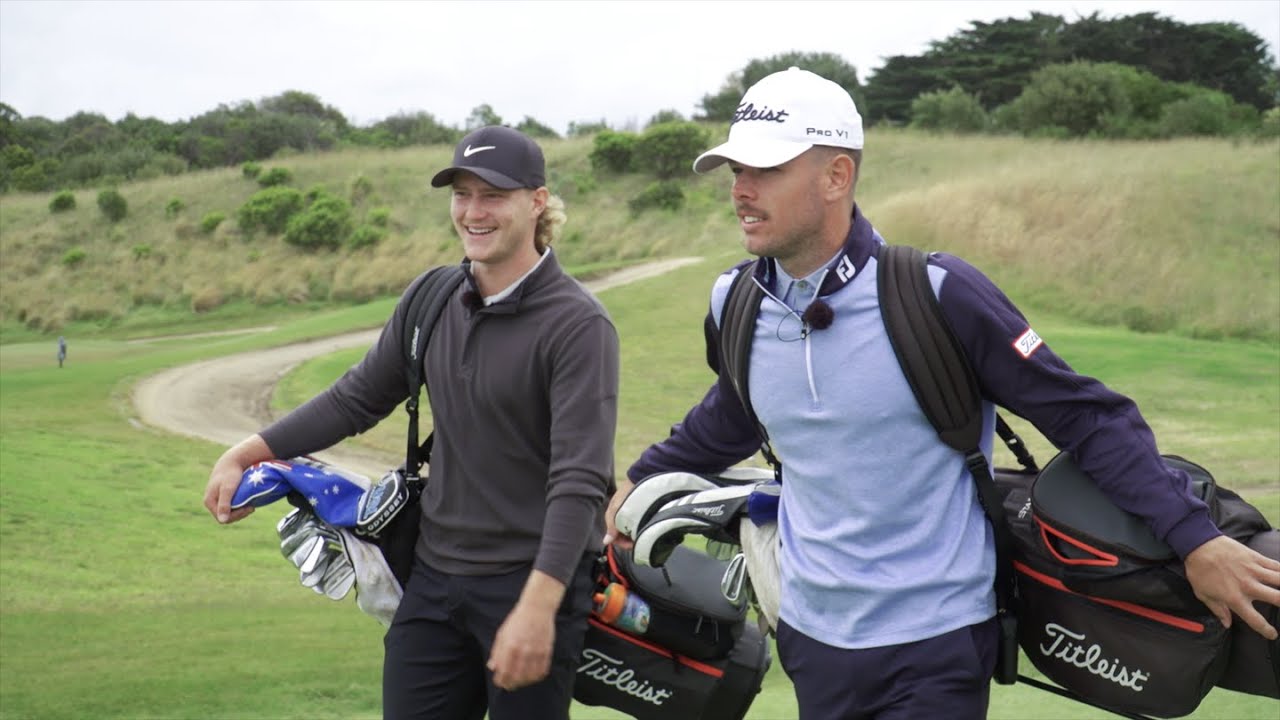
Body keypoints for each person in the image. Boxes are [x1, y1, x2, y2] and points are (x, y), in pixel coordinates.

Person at [604, 68, 1280, 719]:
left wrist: (1194, 539)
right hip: (812, 636)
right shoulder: (734, 303)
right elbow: (734, 411)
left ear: (837, 175)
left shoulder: (936, 295)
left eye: (766, 170)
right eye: (736, 171)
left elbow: (1089, 419)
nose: (741, 190)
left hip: (938, 639)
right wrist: (643, 476)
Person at [204, 125, 620, 720]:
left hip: (532, 586)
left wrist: (537, 607)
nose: (473, 212)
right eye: (462, 194)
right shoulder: (433, 297)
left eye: (493, 195)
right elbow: (358, 397)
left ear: (536, 201)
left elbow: (579, 480)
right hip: (433, 580)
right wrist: (252, 449)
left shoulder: (578, 326)